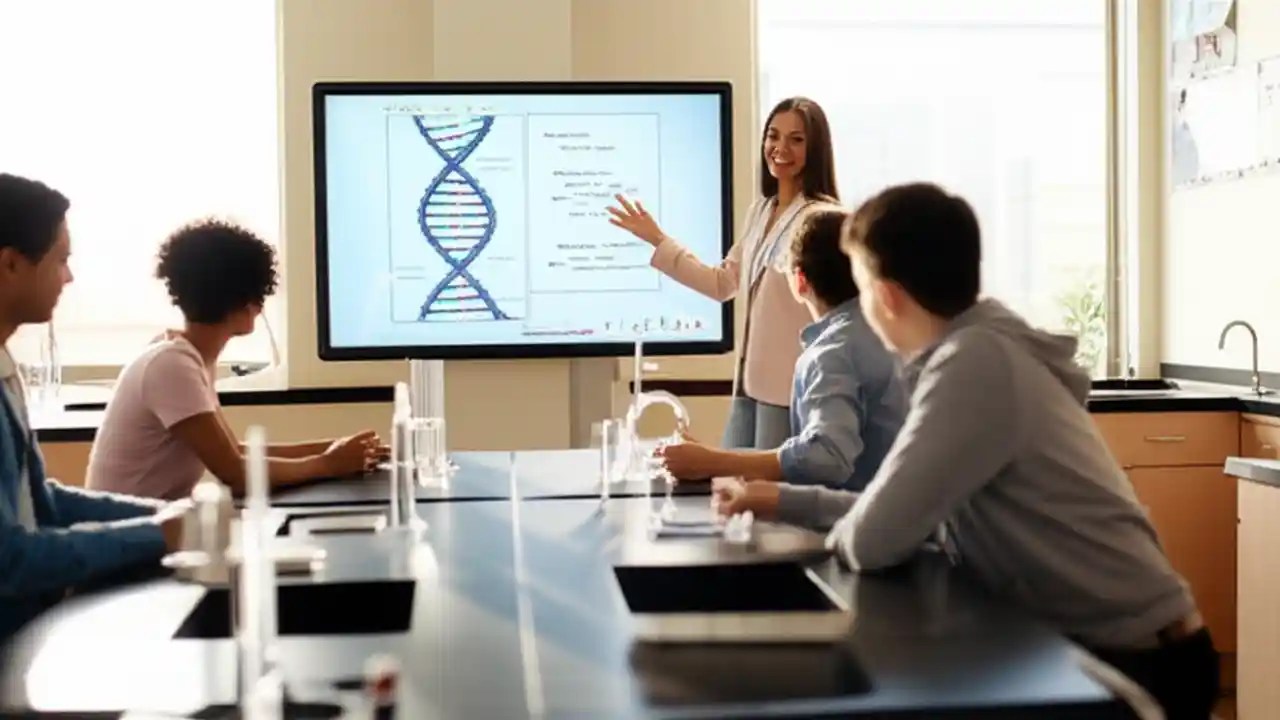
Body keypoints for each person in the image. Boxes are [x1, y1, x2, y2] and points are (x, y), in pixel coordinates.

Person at [714, 183, 1219, 718]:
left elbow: (875, 537)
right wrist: (780, 500)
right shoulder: (974, 351)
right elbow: (910, 513)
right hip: (1115, 645)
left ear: (884, 296)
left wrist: (809, 510)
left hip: (1135, 664)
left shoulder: (972, 365)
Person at [0, 173, 187, 637]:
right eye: (60, 259)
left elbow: (44, 502)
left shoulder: (6, 370)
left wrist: (166, 518)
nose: (68, 277)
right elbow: (10, 561)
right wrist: (159, 534)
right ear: (10, 265)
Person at [87, 219, 385, 501]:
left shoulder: (183, 355)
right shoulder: (172, 366)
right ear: (243, 301)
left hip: (148, 525)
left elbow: (235, 452)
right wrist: (328, 464)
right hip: (128, 535)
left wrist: (337, 450)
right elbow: (237, 474)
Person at [607, 97, 839, 450]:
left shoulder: (823, 218)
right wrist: (655, 237)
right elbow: (721, 284)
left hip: (789, 389)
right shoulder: (761, 212)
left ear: (816, 148)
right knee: (732, 482)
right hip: (748, 385)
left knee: (767, 491)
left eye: (796, 139)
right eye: (773, 136)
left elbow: (835, 311)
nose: (780, 148)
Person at [656, 208, 905, 491]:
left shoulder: (832, 354)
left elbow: (826, 459)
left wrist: (715, 462)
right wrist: (713, 457)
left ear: (799, 281)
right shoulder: (887, 334)